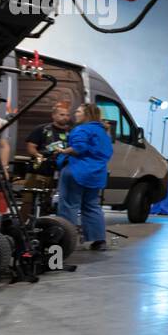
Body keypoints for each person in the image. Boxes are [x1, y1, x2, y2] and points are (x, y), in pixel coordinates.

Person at [55, 102, 113, 250]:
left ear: (86, 114)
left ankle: (66, 241)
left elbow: (79, 148)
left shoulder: (81, 129)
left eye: (79, 112)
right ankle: (99, 240)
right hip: (96, 174)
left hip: (76, 171)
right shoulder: (103, 132)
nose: (75, 114)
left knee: (69, 205)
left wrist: (62, 151)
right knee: (91, 206)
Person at [24, 100, 72, 179]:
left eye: (68, 115)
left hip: (62, 170)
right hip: (40, 169)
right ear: (53, 115)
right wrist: (38, 155)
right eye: (62, 115)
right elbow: (31, 147)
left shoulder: (72, 132)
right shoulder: (42, 129)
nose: (65, 117)